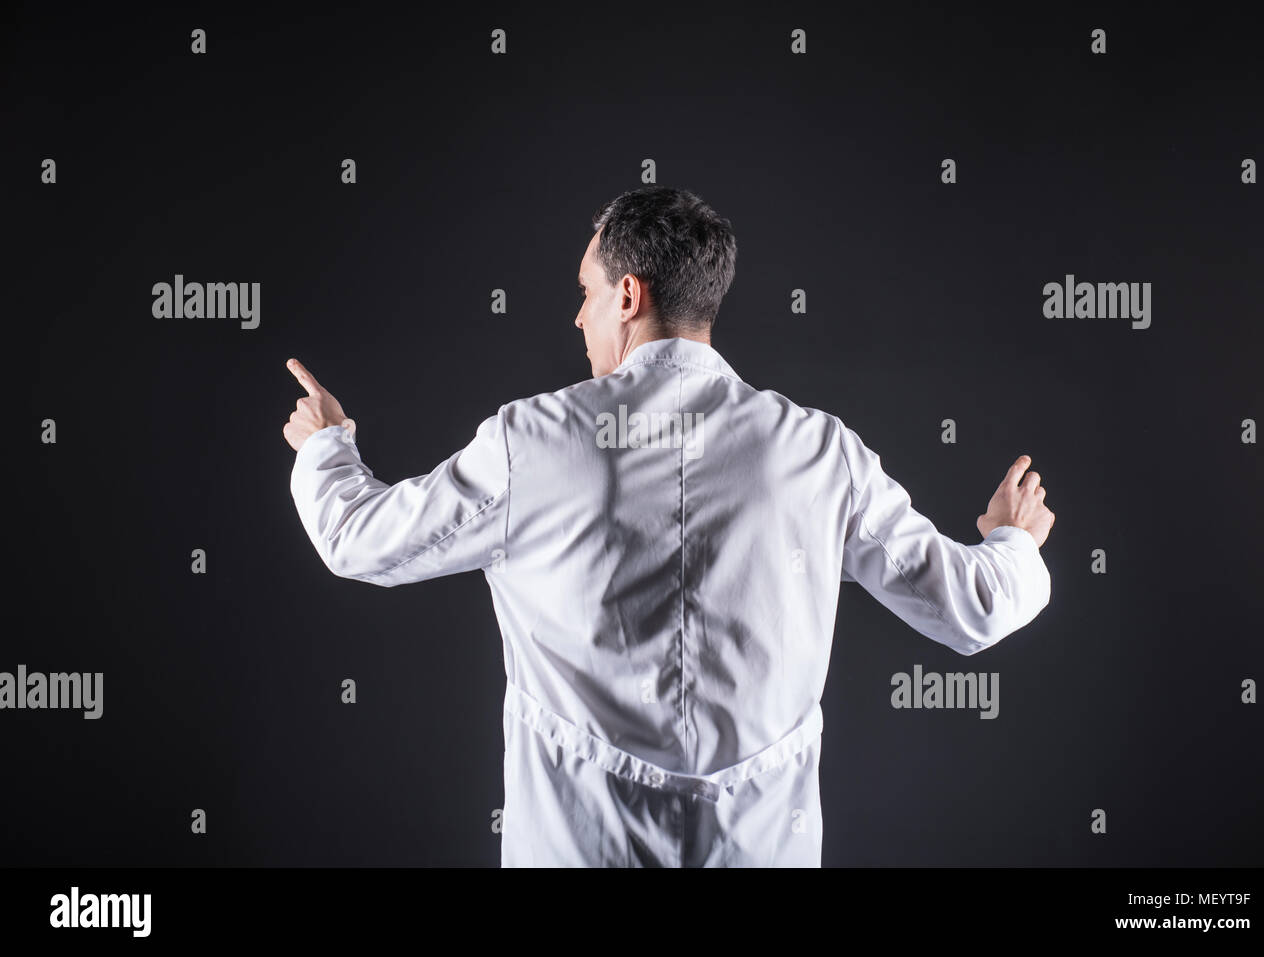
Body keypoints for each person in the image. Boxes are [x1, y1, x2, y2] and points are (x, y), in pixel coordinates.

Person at [282, 185, 1055, 866]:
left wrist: (325, 443)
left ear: (628, 295)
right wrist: (1014, 538)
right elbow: (975, 606)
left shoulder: (532, 442)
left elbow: (359, 538)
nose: (577, 314)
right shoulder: (820, 453)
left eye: (585, 291)